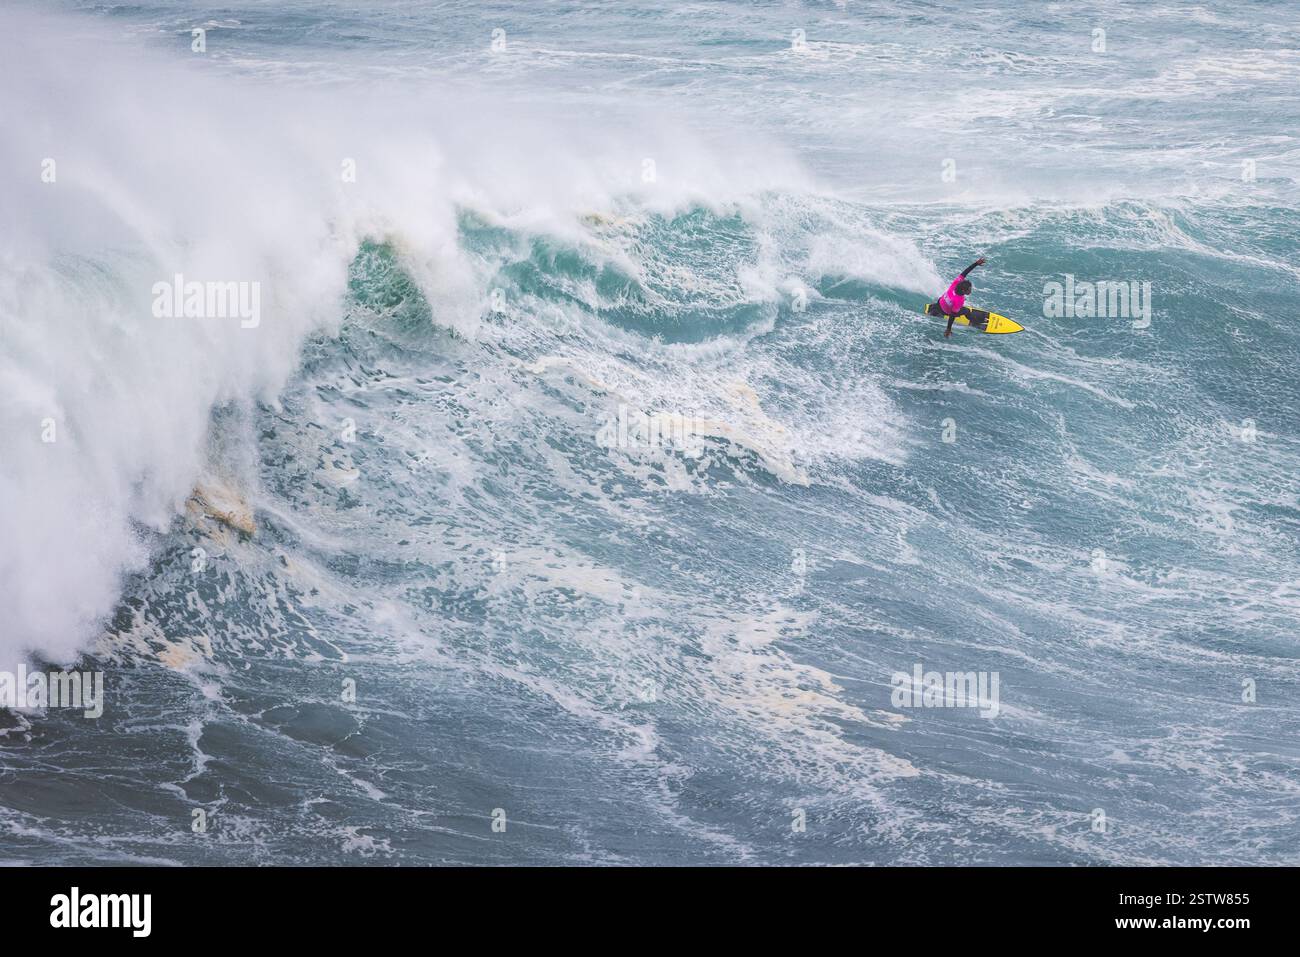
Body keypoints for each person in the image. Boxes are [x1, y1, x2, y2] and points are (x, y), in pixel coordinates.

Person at [936, 256, 986, 337]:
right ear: (963, 291)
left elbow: (965, 272)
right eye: (969, 290)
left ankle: (934, 309)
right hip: (946, 311)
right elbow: (952, 315)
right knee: (967, 311)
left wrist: (976, 264)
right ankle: (975, 322)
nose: (970, 291)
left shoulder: (956, 283)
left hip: (940, 302)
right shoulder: (959, 300)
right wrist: (948, 329)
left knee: (941, 300)